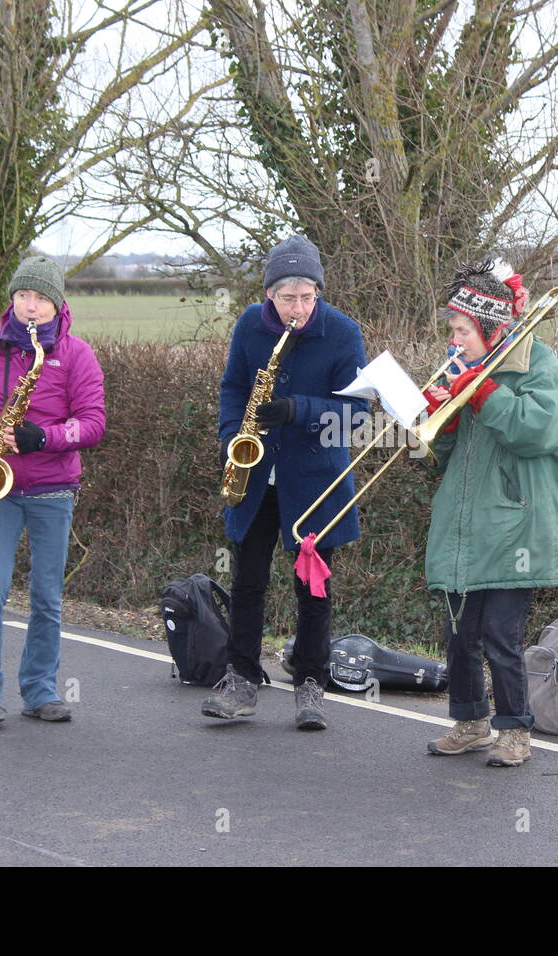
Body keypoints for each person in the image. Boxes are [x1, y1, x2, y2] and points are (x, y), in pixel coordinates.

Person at [203, 235, 369, 730]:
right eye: (286, 297)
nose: (297, 307)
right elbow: (234, 386)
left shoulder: (342, 332)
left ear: (318, 292)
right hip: (255, 476)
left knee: (312, 589)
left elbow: (358, 417)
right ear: (269, 294)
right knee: (247, 581)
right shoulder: (250, 327)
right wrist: (233, 435)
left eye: (306, 296)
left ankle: (312, 686)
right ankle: (241, 679)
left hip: (316, 481)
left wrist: (299, 410)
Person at [420, 260, 558, 766]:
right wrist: (440, 423)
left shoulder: (539, 365)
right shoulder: (465, 369)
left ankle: (516, 732)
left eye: (463, 330)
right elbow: (448, 460)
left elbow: (536, 431)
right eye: (453, 329)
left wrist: (483, 393)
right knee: (459, 632)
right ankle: (470, 721)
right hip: (466, 522)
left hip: (517, 523)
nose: (455, 338)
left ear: (490, 329)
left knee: (501, 636)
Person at [0, 256, 106, 728]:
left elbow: (93, 424)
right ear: (11, 300)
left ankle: (39, 691)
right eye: (22, 297)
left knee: (47, 596)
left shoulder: (78, 355)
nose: (30, 307)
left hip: (54, 489)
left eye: (40, 299)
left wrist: (47, 437)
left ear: (57, 304)